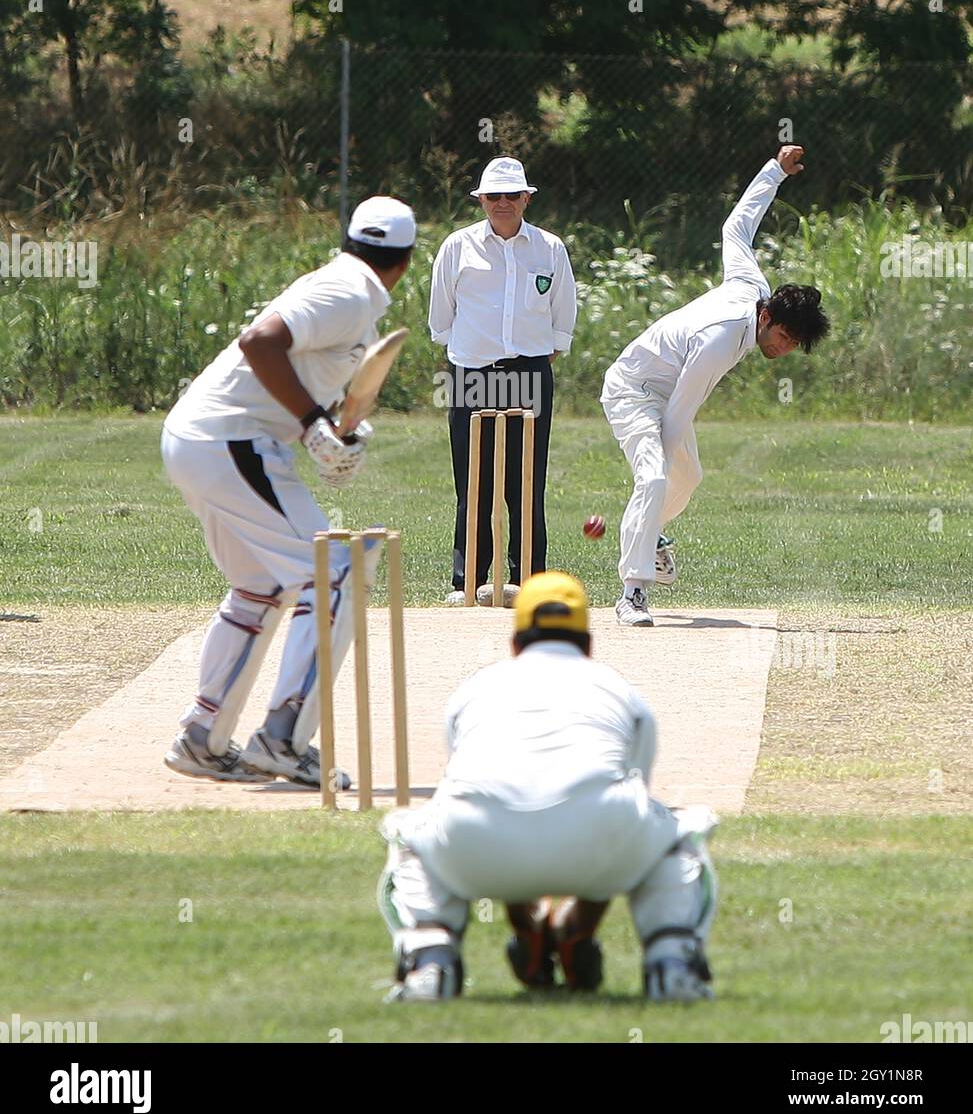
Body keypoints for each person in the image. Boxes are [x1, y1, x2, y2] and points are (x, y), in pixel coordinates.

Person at [160, 196, 416, 786]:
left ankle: (203, 737)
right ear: (404, 262)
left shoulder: (344, 289)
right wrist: (310, 423)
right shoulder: (348, 292)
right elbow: (259, 342)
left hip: (206, 439)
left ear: (352, 241)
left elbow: (293, 371)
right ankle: (281, 738)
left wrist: (332, 426)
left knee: (262, 584)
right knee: (337, 570)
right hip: (230, 441)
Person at [378, 572, 718, 1002]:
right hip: (603, 841)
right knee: (679, 834)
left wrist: (527, 922)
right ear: (589, 645)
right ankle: (672, 965)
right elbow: (619, 809)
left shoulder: (474, 689)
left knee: (409, 835)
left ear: (516, 643)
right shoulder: (620, 691)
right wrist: (580, 928)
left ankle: (430, 962)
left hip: (473, 848)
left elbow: (493, 797)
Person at [601, 144, 830, 627]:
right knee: (657, 475)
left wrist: (774, 172)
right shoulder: (721, 340)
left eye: (794, 344)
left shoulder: (753, 285)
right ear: (766, 317)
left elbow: (736, 228)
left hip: (664, 391)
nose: (782, 348)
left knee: (689, 478)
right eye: (783, 337)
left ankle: (651, 533)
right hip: (633, 387)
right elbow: (679, 414)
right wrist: (653, 470)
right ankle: (633, 592)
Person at [428, 156, 577, 607]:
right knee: (473, 478)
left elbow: (562, 309)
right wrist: (473, 352)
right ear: (481, 200)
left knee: (525, 478)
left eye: (513, 195)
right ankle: (468, 580)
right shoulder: (458, 246)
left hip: (529, 370)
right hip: (472, 370)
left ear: (527, 198)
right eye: (494, 196)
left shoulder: (549, 247)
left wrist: (540, 350)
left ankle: (529, 580)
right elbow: (442, 314)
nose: (503, 204)